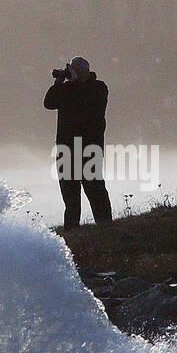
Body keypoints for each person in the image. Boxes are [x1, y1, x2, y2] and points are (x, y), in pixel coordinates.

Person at [44, 55, 112, 229]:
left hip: (89, 147)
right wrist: (59, 82)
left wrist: (73, 84)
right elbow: (49, 103)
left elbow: (87, 103)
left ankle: (105, 226)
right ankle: (72, 230)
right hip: (66, 148)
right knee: (69, 193)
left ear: (84, 71)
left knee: (95, 189)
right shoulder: (66, 88)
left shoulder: (98, 88)